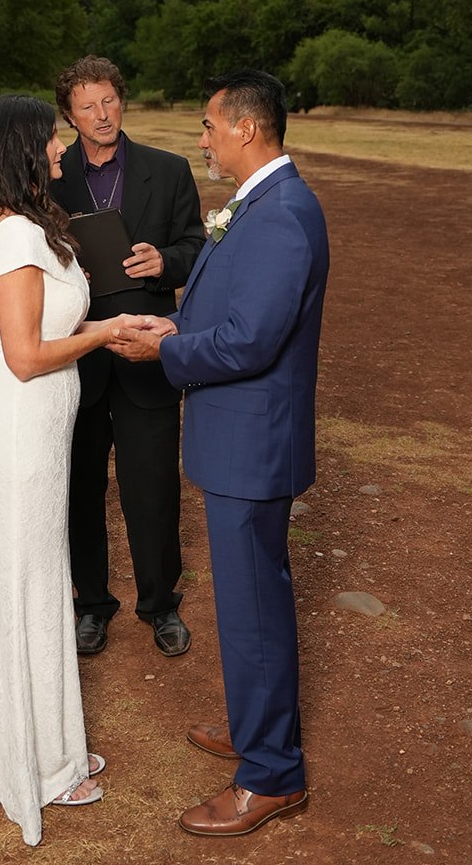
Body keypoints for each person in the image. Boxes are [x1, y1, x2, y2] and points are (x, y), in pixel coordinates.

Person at [111, 69, 329, 838]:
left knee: (253, 610)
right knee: (245, 606)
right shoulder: (260, 204)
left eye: (208, 126)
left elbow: (251, 341)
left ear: (246, 129)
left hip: (252, 444)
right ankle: (254, 725)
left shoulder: (280, 215)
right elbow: (231, 314)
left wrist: (164, 353)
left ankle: (271, 775)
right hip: (236, 436)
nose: (200, 140)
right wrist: (175, 327)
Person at [0, 94, 136, 848]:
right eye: (51, 143)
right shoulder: (11, 234)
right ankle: (33, 761)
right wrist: (105, 335)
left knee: (36, 580)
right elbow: (25, 357)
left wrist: (112, 327)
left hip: (41, 426)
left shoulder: (29, 226)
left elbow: (47, 330)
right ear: (21, 150)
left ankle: (45, 746)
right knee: (22, 584)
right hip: (20, 431)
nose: (61, 152)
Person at [51, 57, 204, 658]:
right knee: (80, 490)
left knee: (154, 488)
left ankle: (160, 605)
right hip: (78, 356)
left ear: (123, 101)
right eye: (87, 107)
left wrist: (166, 261)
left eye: (109, 101)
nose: (102, 114)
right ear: (69, 115)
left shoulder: (169, 171)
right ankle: (91, 605)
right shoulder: (52, 177)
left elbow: (198, 245)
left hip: (146, 355)